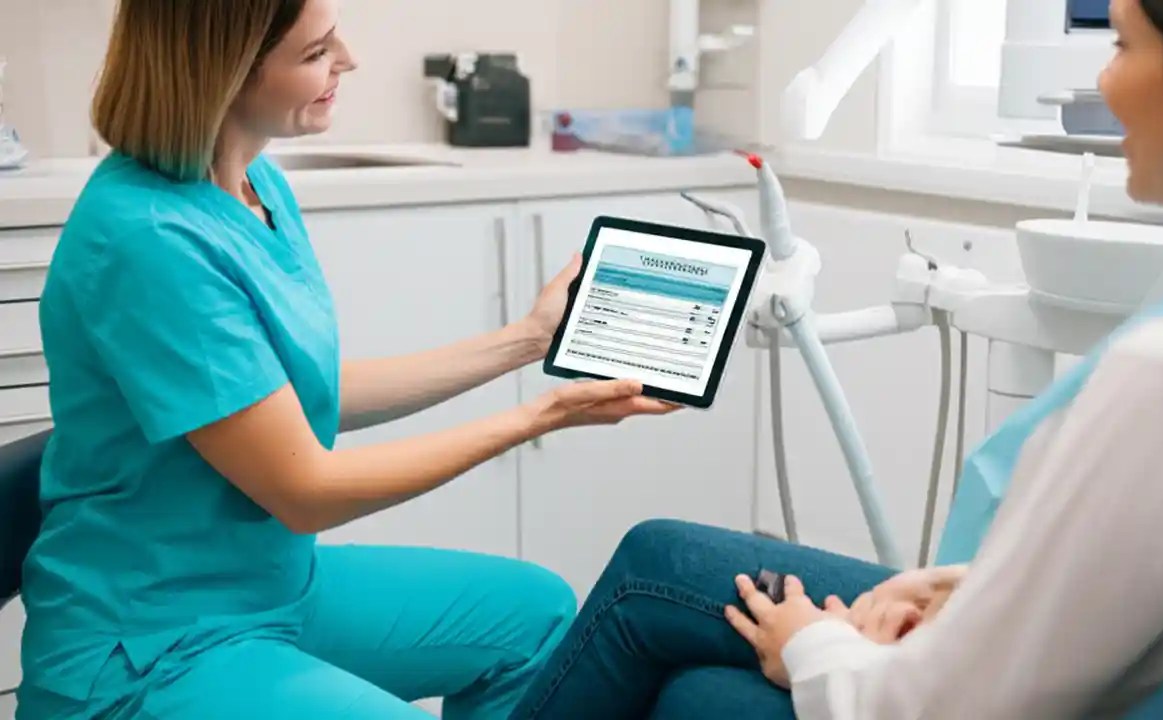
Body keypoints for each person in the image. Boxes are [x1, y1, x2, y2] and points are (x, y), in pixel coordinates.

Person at [509, 0, 1163, 717]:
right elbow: (1132, 581)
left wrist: (814, 644)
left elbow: (951, 703)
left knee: (678, 635)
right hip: (1059, 658)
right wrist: (956, 588)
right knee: (686, 650)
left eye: (1121, 46)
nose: (1104, 82)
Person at [16, 1, 676, 718]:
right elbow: (306, 489)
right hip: (150, 643)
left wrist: (528, 340)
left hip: (269, 587)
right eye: (315, 53)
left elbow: (303, 392)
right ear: (226, 73)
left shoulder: (253, 187)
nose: (349, 61)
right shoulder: (148, 239)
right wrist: (538, 415)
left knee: (535, 615)